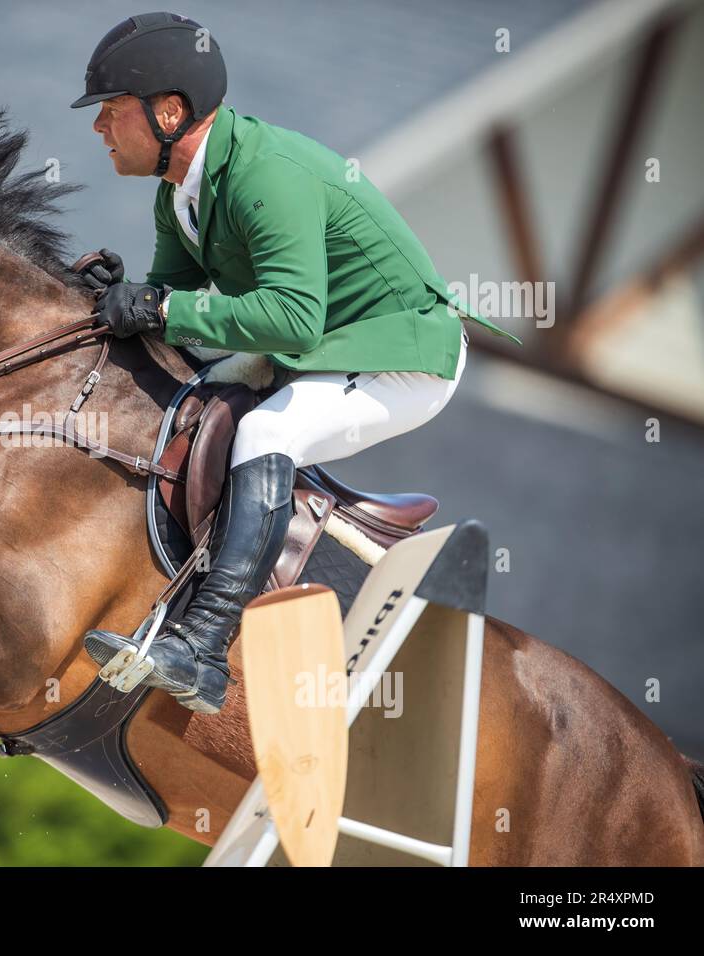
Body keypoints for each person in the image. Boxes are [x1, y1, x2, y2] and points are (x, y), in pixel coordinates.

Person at [70, 12, 522, 714]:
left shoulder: (264, 177)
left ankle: (204, 648)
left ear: (168, 111)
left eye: (110, 110)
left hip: (399, 356)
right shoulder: (180, 194)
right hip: (320, 350)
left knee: (266, 434)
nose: (99, 127)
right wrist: (116, 305)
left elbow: (291, 318)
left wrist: (158, 309)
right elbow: (176, 314)